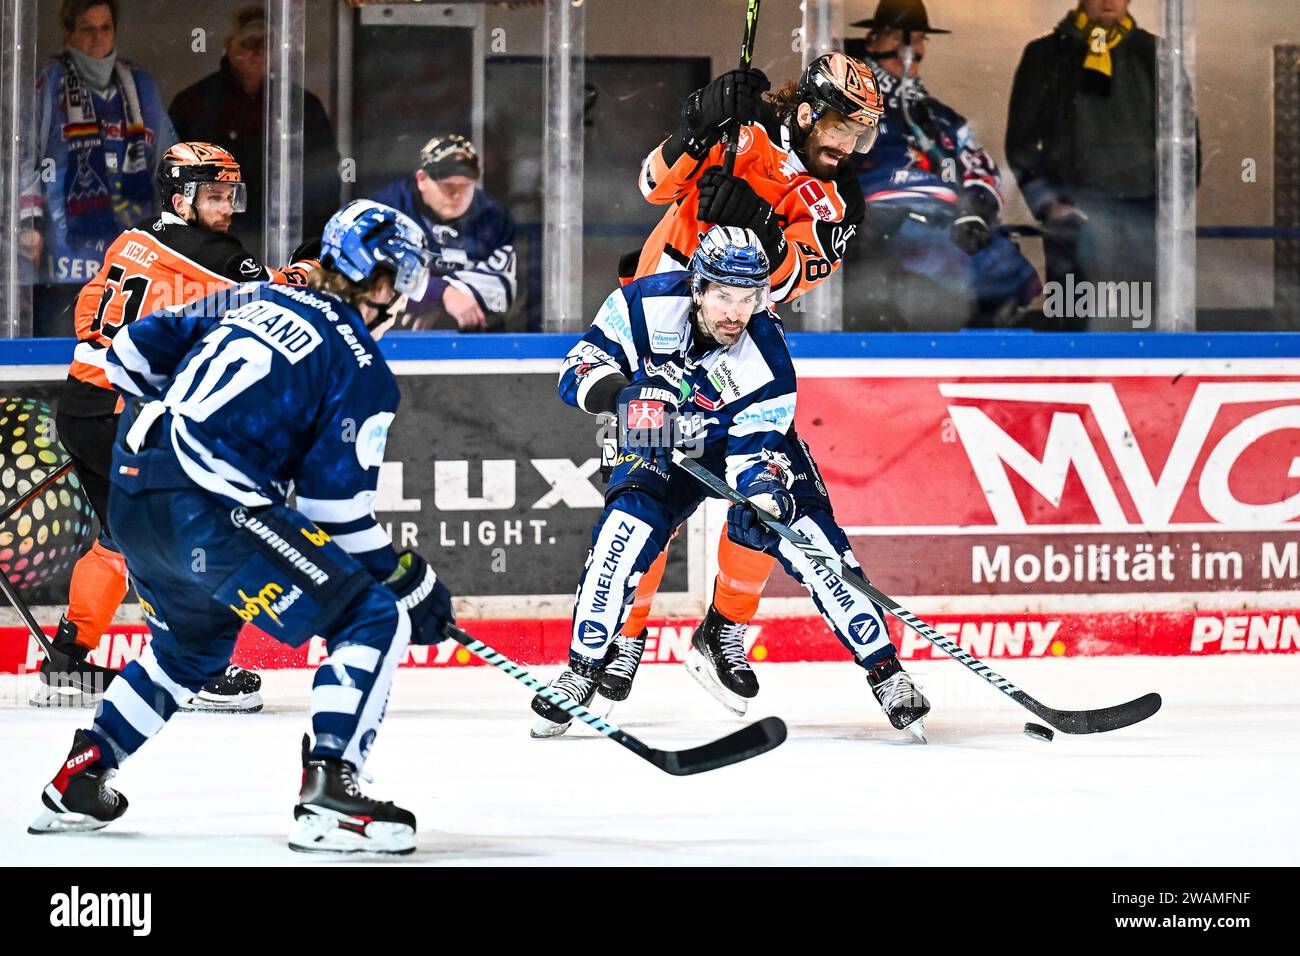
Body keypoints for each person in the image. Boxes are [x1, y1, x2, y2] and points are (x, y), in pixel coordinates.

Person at [28, 200, 456, 854]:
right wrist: (408, 578)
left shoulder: (249, 299)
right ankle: (331, 796)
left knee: (188, 652)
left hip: (134, 492)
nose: (401, 302)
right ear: (379, 283)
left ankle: (81, 777)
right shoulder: (360, 367)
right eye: (403, 285)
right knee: (373, 617)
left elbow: (128, 356)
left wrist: (190, 417)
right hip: (207, 506)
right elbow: (333, 514)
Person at [619, 55, 924, 727]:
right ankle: (622, 635)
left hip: (737, 361)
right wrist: (695, 131)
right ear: (810, 110)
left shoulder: (838, 202)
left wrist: (755, 222)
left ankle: (721, 630)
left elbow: (788, 280)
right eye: (842, 126)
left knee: (772, 492)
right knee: (642, 490)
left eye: (861, 134)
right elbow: (650, 184)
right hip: (657, 339)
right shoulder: (740, 133)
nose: (846, 147)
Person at [536, 226, 929, 741]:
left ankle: (886, 673)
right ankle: (582, 669)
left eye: (749, 298)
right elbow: (579, 367)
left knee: (807, 534)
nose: (735, 312)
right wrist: (622, 396)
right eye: (723, 294)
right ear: (697, 285)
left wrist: (764, 489)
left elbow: (759, 444)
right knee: (625, 530)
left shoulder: (765, 353)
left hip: (741, 441)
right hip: (663, 436)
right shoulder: (642, 302)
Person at [32, 142, 321, 712]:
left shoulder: (131, 241)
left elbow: (89, 312)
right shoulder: (214, 252)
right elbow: (281, 294)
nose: (227, 207)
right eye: (214, 195)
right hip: (122, 415)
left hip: (82, 404)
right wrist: (313, 266)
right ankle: (193, 666)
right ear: (182, 197)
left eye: (231, 194)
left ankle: (68, 657)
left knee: (119, 538)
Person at [846, 0, 1040, 329]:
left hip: (950, 224)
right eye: (897, 37)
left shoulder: (939, 116)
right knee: (936, 276)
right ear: (872, 40)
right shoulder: (851, 110)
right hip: (882, 231)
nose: (909, 50)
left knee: (1010, 269)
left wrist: (976, 209)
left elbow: (980, 166)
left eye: (918, 39)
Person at [1006, 0, 1198, 330]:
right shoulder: (1045, 56)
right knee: (1072, 330)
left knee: (1144, 330)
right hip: (1074, 223)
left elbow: (1186, 144)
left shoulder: (1158, 56)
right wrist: (1050, 206)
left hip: (1143, 220)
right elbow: (1021, 145)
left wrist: (1168, 212)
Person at [19, 0, 176, 338]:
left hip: (130, 263)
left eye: (105, 28)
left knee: (124, 360)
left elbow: (166, 162)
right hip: (62, 263)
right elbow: (22, 158)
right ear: (67, 33)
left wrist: (173, 232)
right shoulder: (48, 83)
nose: (97, 38)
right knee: (63, 360)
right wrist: (28, 224)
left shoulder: (141, 85)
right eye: (87, 29)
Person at [168, 5, 341, 256]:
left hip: (287, 246)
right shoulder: (194, 104)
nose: (258, 52)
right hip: (213, 248)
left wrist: (314, 248)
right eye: (250, 43)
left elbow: (325, 182)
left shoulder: (303, 107)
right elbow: (175, 183)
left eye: (267, 43)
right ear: (229, 46)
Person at [369, 135, 518, 331]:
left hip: (470, 335)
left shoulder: (493, 216)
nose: (456, 195)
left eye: (465, 185)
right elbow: (369, 276)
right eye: (447, 186)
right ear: (422, 179)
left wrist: (441, 303)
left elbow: (503, 285)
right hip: (392, 334)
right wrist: (442, 293)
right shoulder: (385, 210)